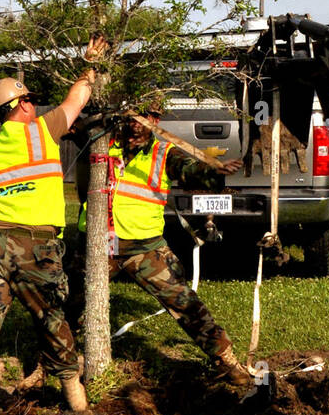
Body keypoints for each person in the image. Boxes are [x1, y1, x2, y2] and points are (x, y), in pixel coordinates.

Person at [0, 36, 108, 414]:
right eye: (31, 100)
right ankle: (77, 401)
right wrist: (90, 64)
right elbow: (77, 99)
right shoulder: (40, 129)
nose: (36, 105)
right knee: (52, 320)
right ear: (20, 105)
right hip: (33, 245)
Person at [71, 95, 252, 389]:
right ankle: (53, 365)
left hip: (145, 248)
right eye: (131, 117)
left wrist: (213, 172)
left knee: (185, 303)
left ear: (156, 121)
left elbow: (191, 171)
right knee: (70, 302)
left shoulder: (164, 152)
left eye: (146, 118)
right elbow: (71, 123)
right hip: (98, 245)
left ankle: (226, 360)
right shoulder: (103, 142)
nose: (136, 126)